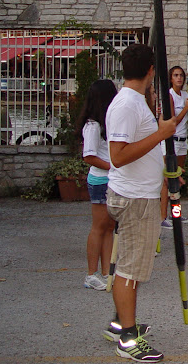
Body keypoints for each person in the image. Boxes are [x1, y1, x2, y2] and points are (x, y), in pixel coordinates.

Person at [103, 43, 176, 362]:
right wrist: (160, 135)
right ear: (151, 71)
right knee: (130, 269)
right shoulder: (126, 105)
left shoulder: (134, 101)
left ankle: (121, 323)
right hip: (134, 199)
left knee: (132, 266)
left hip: (139, 194)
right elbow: (117, 156)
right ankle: (128, 339)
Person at [78, 78, 118, 291]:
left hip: (109, 178)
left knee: (109, 227)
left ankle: (107, 271)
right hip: (101, 179)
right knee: (99, 227)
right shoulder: (93, 126)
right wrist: (113, 166)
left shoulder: (106, 123)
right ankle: (91, 273)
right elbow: (89, 156)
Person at [159, 66, 188, 228]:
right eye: (175, 75)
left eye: (181, 75)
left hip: (182, 141)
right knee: (167, 179)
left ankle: (176, 212)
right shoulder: (170, 96)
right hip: (171, 140)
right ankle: (162, 216)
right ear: (171, 78)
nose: (179, 78)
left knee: (178, 177)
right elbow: (173, 120)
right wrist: (187, 107)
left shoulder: (186, 96)